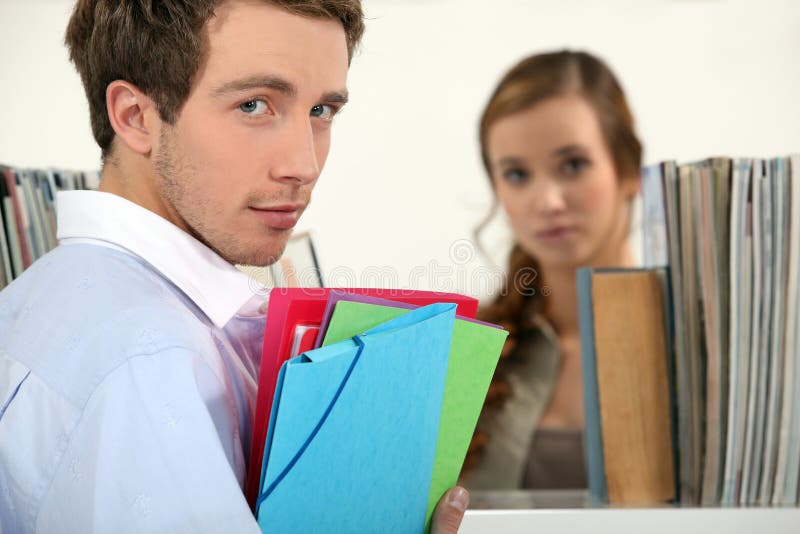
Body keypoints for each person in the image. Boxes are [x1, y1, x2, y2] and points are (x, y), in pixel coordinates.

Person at [0, 1, 468, 532]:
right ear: (135, 116)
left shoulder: (35, 302)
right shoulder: (153, 362)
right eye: (254, 105)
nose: (303, 166)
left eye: (321, 111)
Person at [461, 50, 643, 490]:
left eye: (573, 165)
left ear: (629, 170)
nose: (548, 202)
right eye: (518, 174)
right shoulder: (468, 355)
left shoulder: (704, 346)